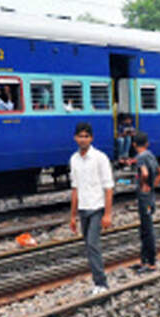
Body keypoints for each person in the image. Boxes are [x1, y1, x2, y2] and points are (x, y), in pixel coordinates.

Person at [69, 122, 114, 294]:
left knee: (93, 245)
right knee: (88, 245)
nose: (83, 139)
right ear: (75, 138)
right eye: (80, 136)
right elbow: (75, 189)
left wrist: (108, 214)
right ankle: (98, 282)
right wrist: (72, 216)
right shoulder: (74, 160)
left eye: (86, 136)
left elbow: (108, 188)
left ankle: (101, 284)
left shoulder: (100, 158)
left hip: (97, 207)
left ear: (91, 138)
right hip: (83, 209)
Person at [132, 132, 160, 274]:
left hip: (144, 198)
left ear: (134, 145)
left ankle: (151, 263)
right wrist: (152, 187)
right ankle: (144, 260)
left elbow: (144, 173)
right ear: (147, 144)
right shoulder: (150, 155)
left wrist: (144, 186)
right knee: (145, 228)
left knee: (147, 229)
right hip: (150, 197)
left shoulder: (140, 158)